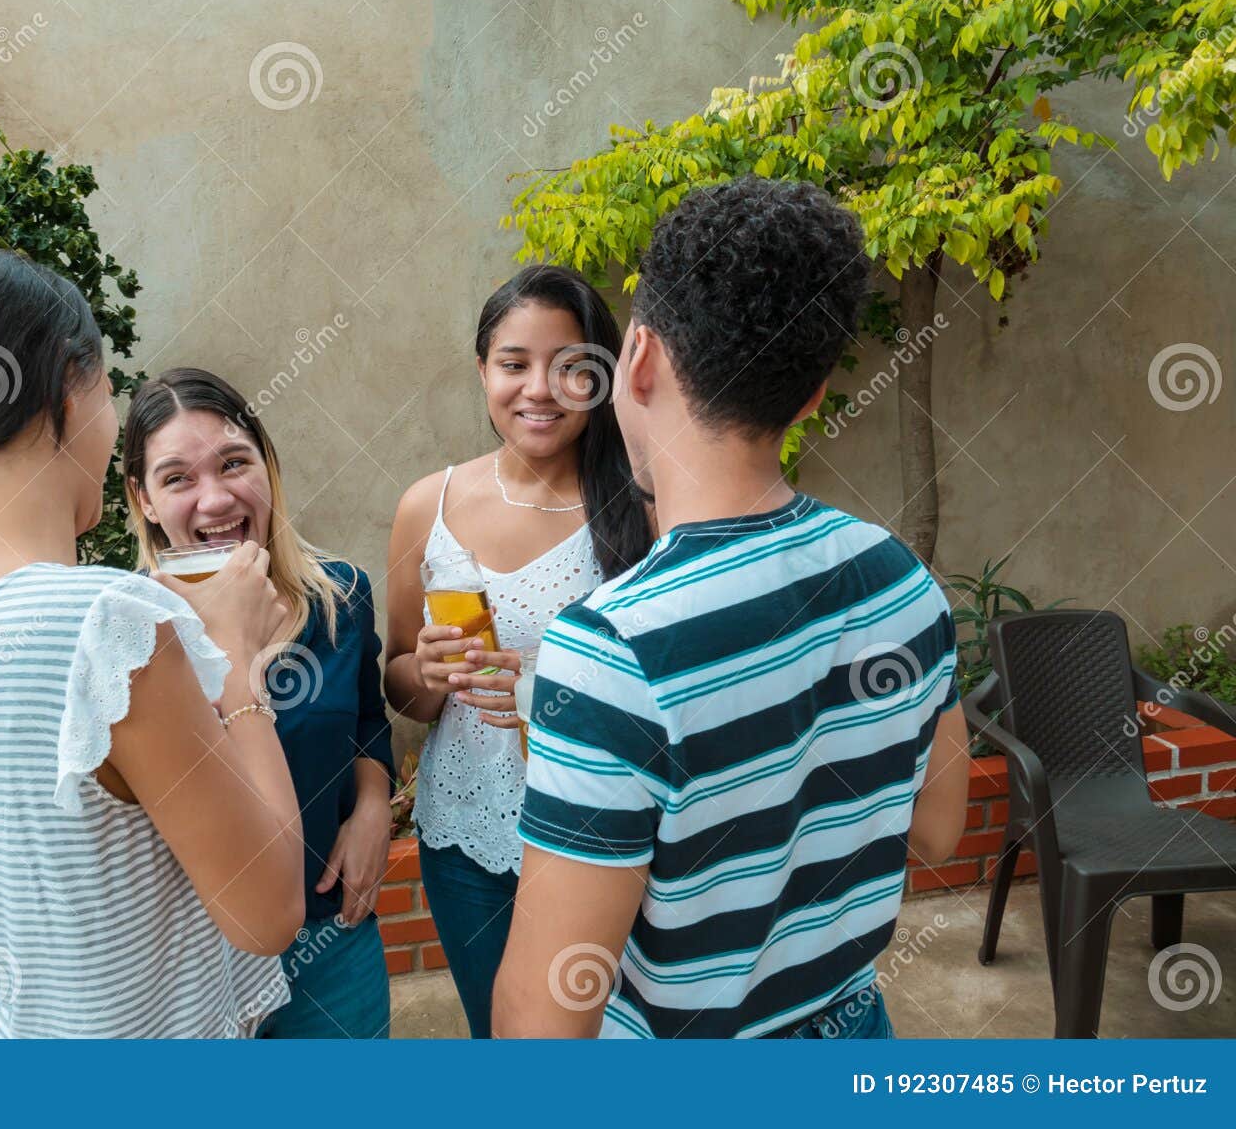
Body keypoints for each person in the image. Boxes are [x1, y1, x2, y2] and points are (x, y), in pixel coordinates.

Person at [493, 177, 970, 1039]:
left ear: (637, 360)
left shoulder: (613, 648)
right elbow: (938, 830)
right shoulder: (902, 578)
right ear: (815, 391)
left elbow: (544, 1013)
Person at [0, 245, 303, 1038]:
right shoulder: (107, 621)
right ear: (68, 384)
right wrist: (236, 665)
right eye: (106, 386)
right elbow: (266, 912)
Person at [384, 265, 652, 1037]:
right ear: (482, 370)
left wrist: (550, 684)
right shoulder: (425, 506)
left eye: (571, 366)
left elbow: (672, 683)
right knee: (501, 1041)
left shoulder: (644, 505)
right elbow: (398, 679)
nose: (540, 388)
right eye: (514, 363)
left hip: (604, 839)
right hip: (466, 835)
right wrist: (427, 675)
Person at [122, 368, 395, 1038]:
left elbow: (366, 720)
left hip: (330, 944)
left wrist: (372, 805)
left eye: (235, 462)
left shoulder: (341, 594)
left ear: (268, 468)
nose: (214, 499)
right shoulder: (126, 636)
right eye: (178, 477)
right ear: (145, 499)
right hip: (185, 969)